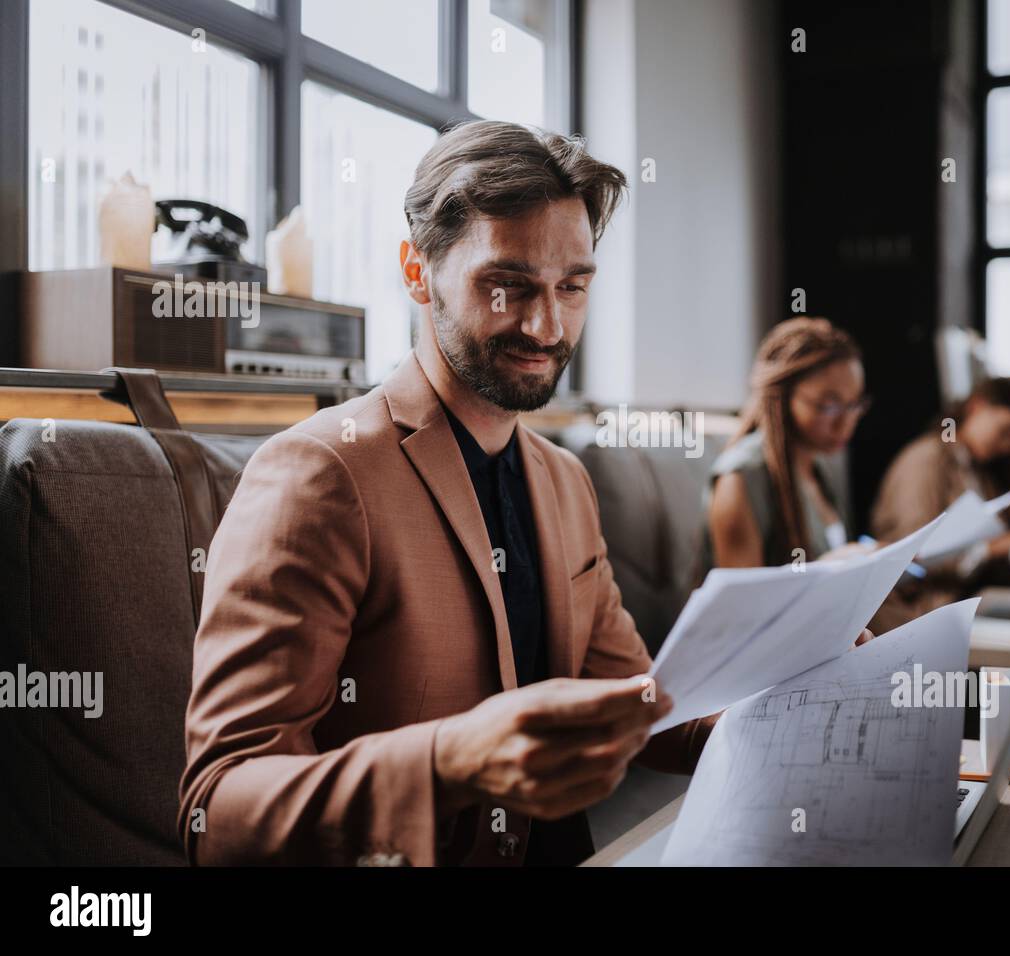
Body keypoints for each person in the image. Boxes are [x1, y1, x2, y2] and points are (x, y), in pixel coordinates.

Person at [179, 121, 717, 867]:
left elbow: (638, 706)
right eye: (509, 285)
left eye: (572, 287)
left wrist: (792, 687)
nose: (547, 324)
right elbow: (218, 808)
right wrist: (444, 764)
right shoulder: (317, 474)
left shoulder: (564, 482)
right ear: (415, 269)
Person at [868, 377, 1010, 630]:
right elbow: (916, 556)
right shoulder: (927, 460)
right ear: (977, 407)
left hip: (969, 601)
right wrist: (996, 548)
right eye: (1005, 431)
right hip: (924, 613)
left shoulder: (979, 469)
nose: (1008, 446)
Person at [702, 317, 871, 573]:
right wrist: (835, 566)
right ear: (782, 397)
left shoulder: (819, 468)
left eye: (854, 405)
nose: (846, 423)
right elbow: (745, 607)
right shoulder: (740, 479)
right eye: (829, 406)